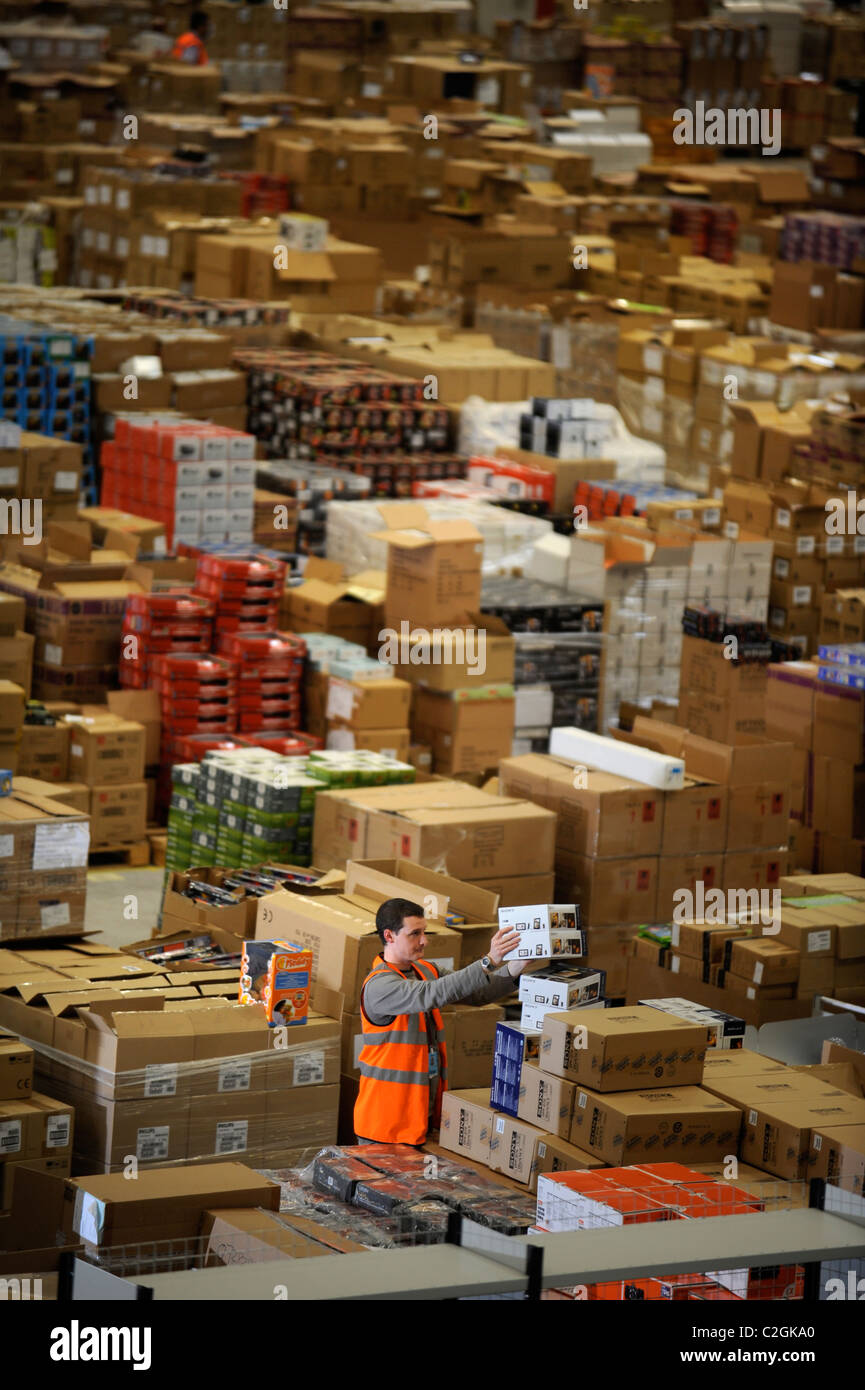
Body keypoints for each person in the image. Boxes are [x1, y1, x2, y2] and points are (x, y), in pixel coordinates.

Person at [354, 897, 528, 1146]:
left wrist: (516, 966)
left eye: (424, 932)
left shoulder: (425, 970)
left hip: (420, 1117)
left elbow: (477, 992)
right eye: (415, 934)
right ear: (389, 936)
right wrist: (488, 960)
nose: (424, 940)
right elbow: (430, 994)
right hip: (385, 1125)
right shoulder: (379, 985)